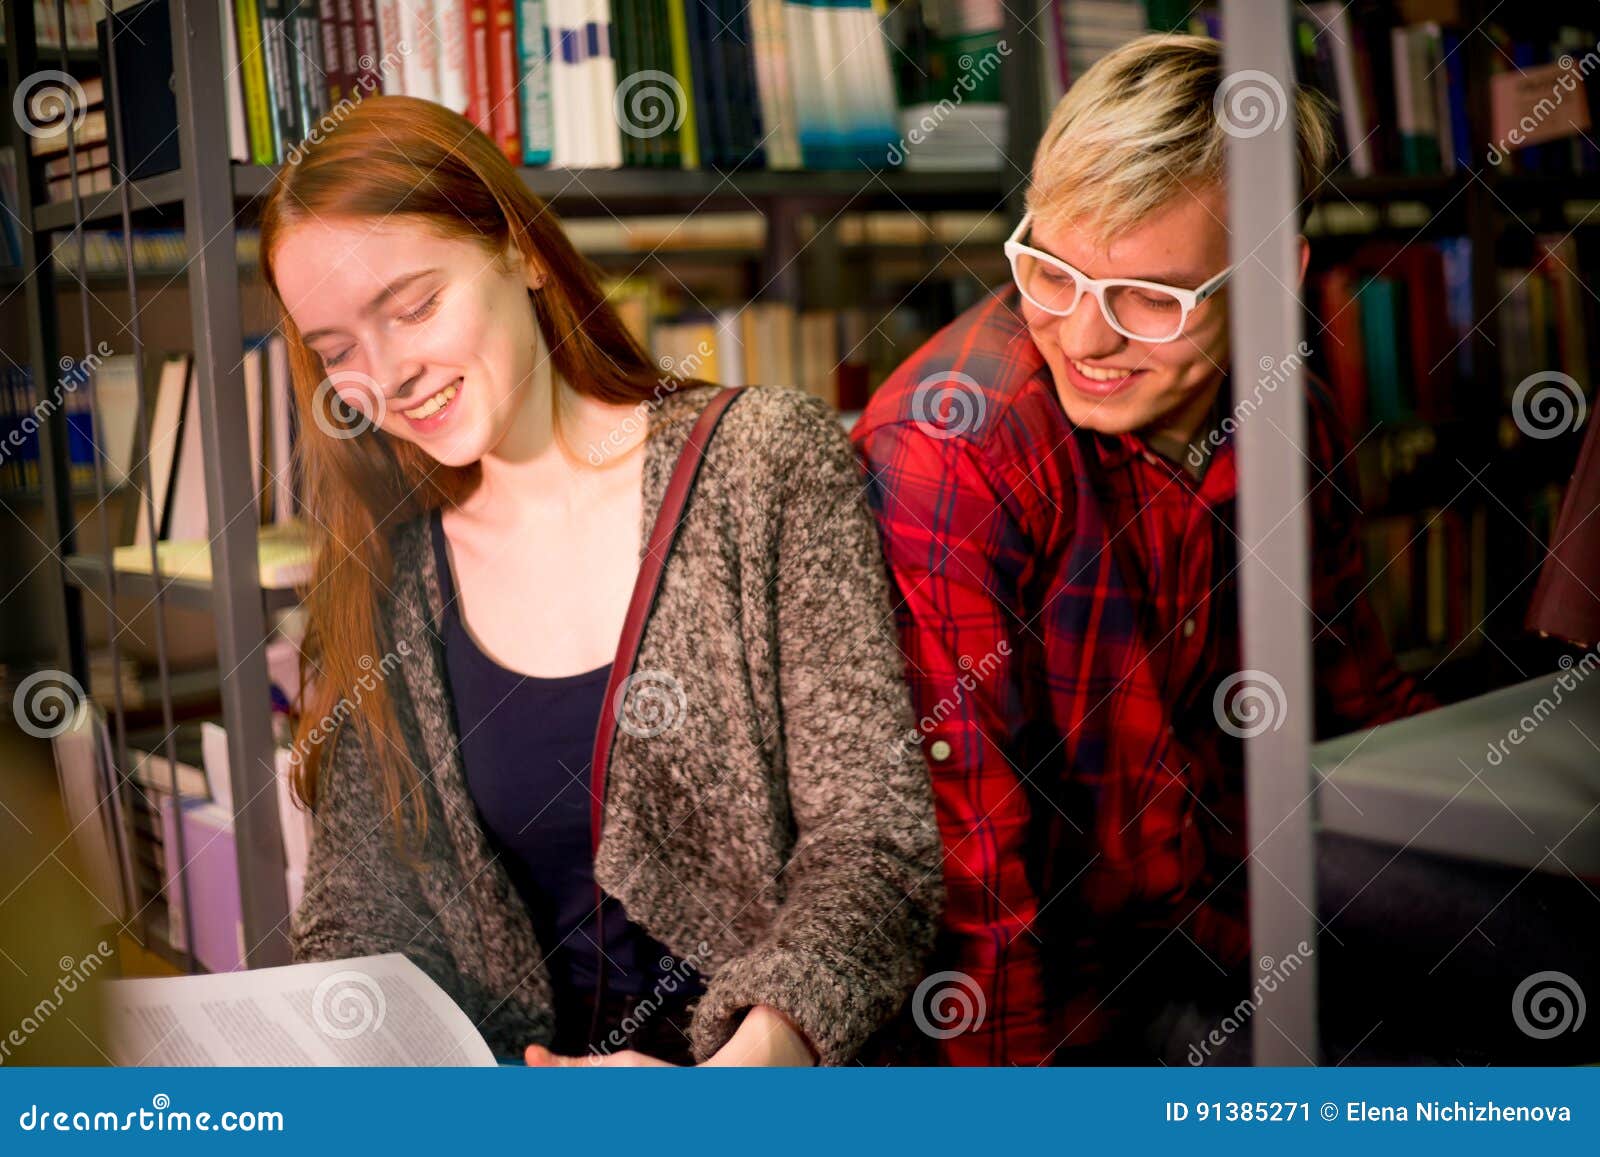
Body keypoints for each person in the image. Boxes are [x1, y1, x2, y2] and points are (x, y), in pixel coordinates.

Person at [263, 95, 941, 1067]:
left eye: (413, 306)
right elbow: (357, 917)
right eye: (336, 351)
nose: (386, 373)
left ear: (522, 252)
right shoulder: (389, 569)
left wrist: (730, 1083)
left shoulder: (760, 460)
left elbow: (874, 852)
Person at [852, 34, 1435, 1065]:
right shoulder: (954, 449)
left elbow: (1353, 700)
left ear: (1274, 273)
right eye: (1050, 271)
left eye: (1150, 299)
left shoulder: (1286, 400)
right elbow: (973, 877)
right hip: (1058, 985)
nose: (1083, 338)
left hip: (1229, 913)